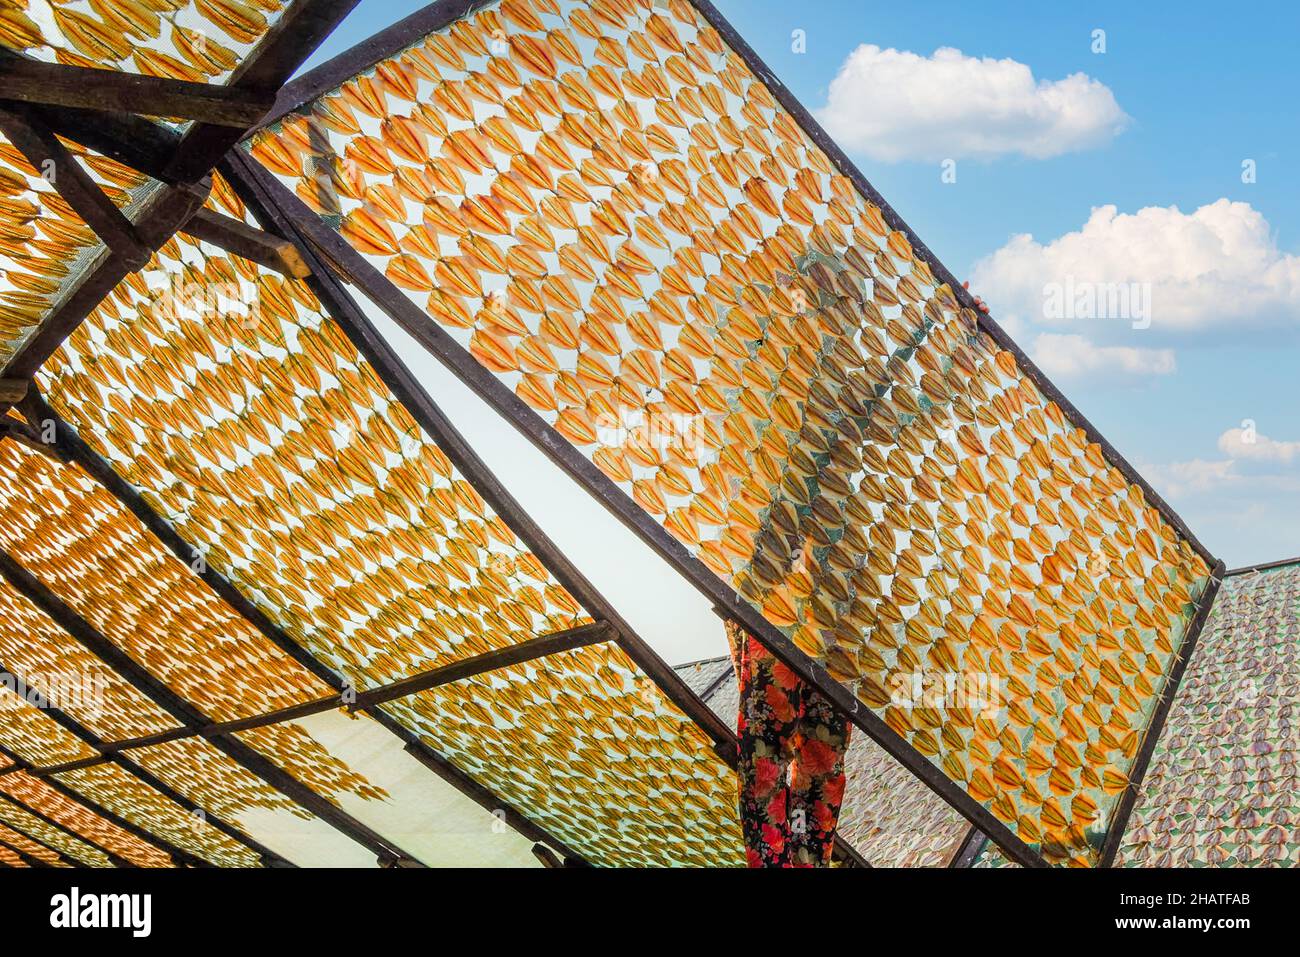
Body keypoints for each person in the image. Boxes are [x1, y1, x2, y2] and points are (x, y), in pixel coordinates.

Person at [725, 620, 851, 867]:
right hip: (770, 609)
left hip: (833, 617)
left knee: (823, 769)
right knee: (765, 758)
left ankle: (805, 859)